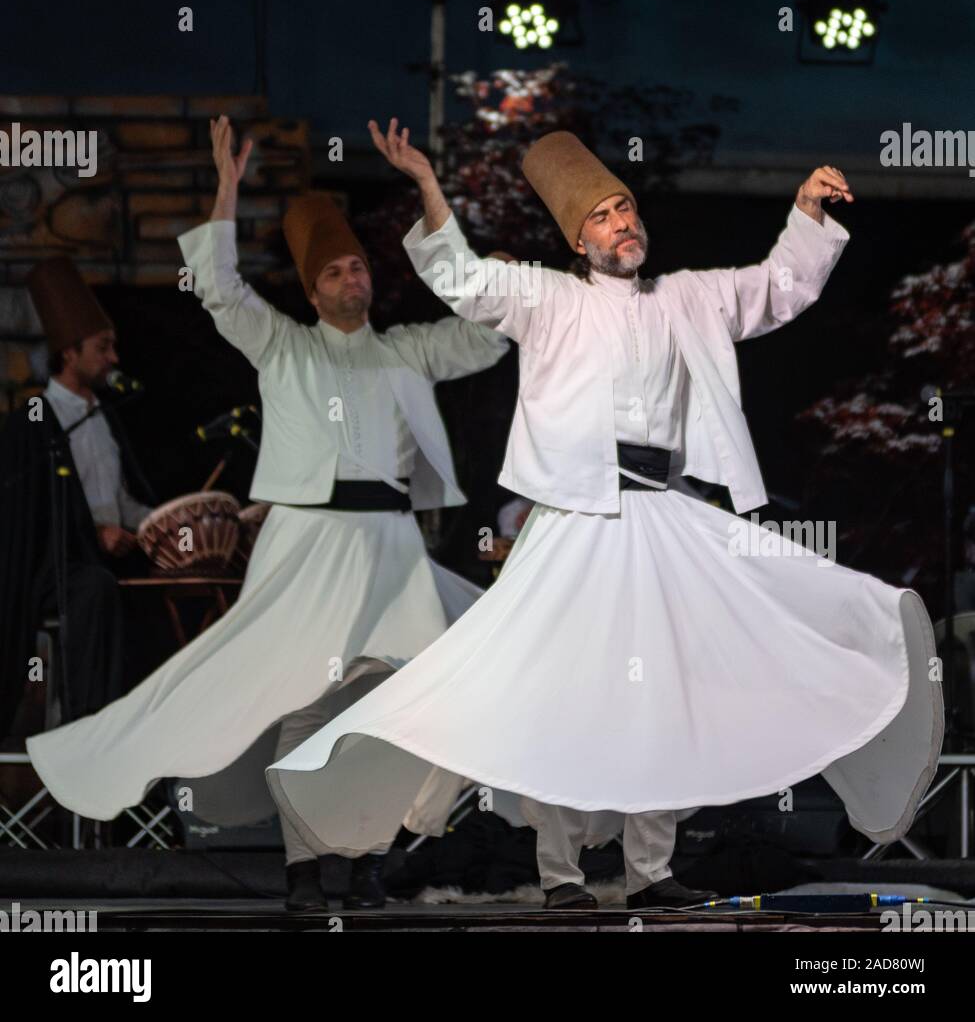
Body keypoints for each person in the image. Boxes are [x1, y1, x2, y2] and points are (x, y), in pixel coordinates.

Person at [264, 121, 944, 911]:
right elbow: (463, 279)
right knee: (561, 694)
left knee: (659, 692)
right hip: (574, 523)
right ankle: (560, 876)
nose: (622, 223)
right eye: (602, 216)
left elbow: (773, 289)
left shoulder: (686, 297)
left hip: (662, 520)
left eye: (625, 208)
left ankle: (649, 871)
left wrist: (806, 214)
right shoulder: (548, 299)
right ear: (577, 241)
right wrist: (424, 181)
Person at [27, 115, 509, 911]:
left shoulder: (409, 350)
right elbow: (218, 288)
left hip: (390, 548)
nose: (351, 280)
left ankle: (363, 860)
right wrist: (224, 185)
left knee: (423, 690)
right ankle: (302, 869)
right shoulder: (286, 347)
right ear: (313, 289)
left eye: (358, 268)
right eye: (335, 274)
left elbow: (490, 332)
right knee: (300, 700)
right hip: (308, 542)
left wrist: (428, 188)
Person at [0, 257, 154, 741]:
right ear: (69, 353)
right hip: (53, 565)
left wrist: (162, 524)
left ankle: (150, 737)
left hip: (107, 555)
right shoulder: (33, 420)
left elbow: (121, 497)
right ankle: (89, 732)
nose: (113, 358)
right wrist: (90, 536)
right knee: (93, 589)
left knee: (166, 595)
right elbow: (29, 514)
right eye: (102, 347)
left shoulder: (104, 416)